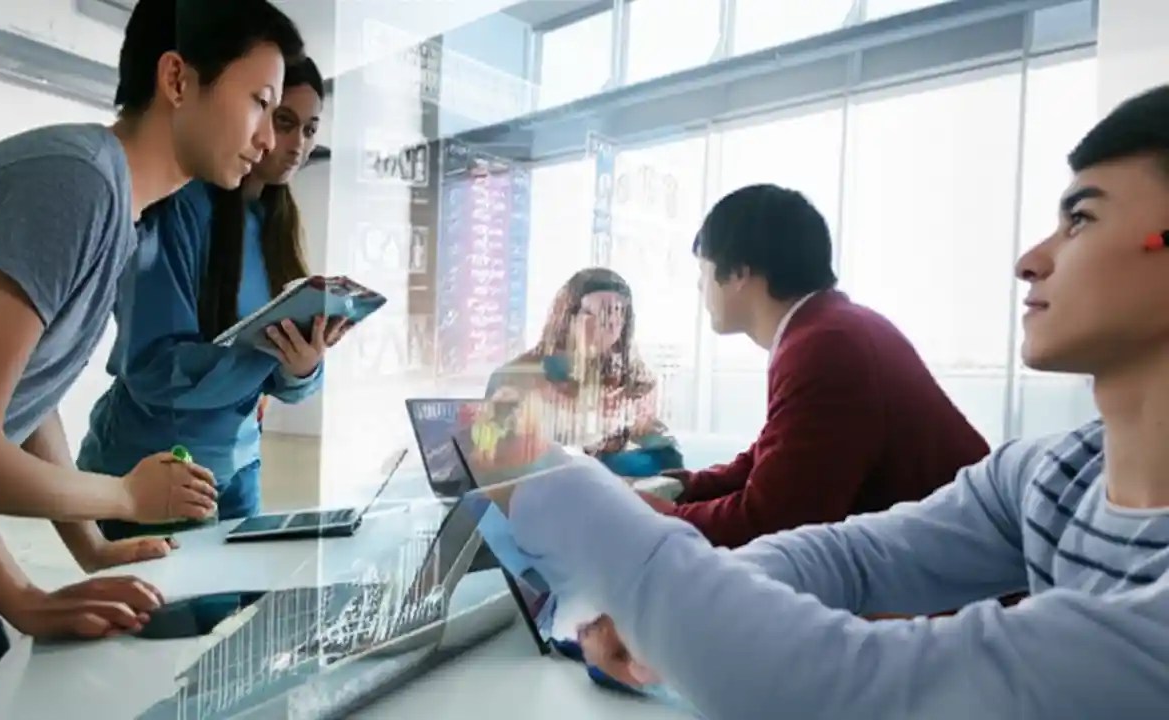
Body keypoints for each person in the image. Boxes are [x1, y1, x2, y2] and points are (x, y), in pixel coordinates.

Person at [497, 84, 1169, 719]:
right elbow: (848, 552)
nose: (1029, 260)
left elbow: (833, 668)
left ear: (739, 274)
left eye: (1081, 219)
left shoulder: (828, 343)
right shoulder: (1047, 475)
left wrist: (553, 492)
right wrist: (678, 564)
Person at [0, 0, 304, 715]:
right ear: (177, 79)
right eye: (261, 103)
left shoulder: (114, 206)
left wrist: (88, 548)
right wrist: (123, 499)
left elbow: (26, 392)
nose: (268, 139)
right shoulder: (74, 183)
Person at [78, 57, 344, 540]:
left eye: (309, 129)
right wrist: (266, 352)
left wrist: (302, 365)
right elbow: (153, 369)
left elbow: (285, 386)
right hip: (154, 471)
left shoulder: (276, 227)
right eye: (283, 121)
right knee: (156, 592)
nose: (297, 145)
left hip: (239, 471)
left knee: (242, 592)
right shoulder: (177, 210)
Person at [646, 184, 989, 548]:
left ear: (738, 274)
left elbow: (771, 521)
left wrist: (656, 519)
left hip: (964, 572)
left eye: (704, 270)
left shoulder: (826, 347)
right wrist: (685, 487)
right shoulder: (832, 325)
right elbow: (772, 458)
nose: (700, 286)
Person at [486, 268, 682, 478]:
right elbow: (490, 459)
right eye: (596, 312)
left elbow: (667, 457)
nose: (609, 323)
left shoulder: (635, 380)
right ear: (567, 316)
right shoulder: (518, 376)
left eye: (618, 312)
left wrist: (626, 441)